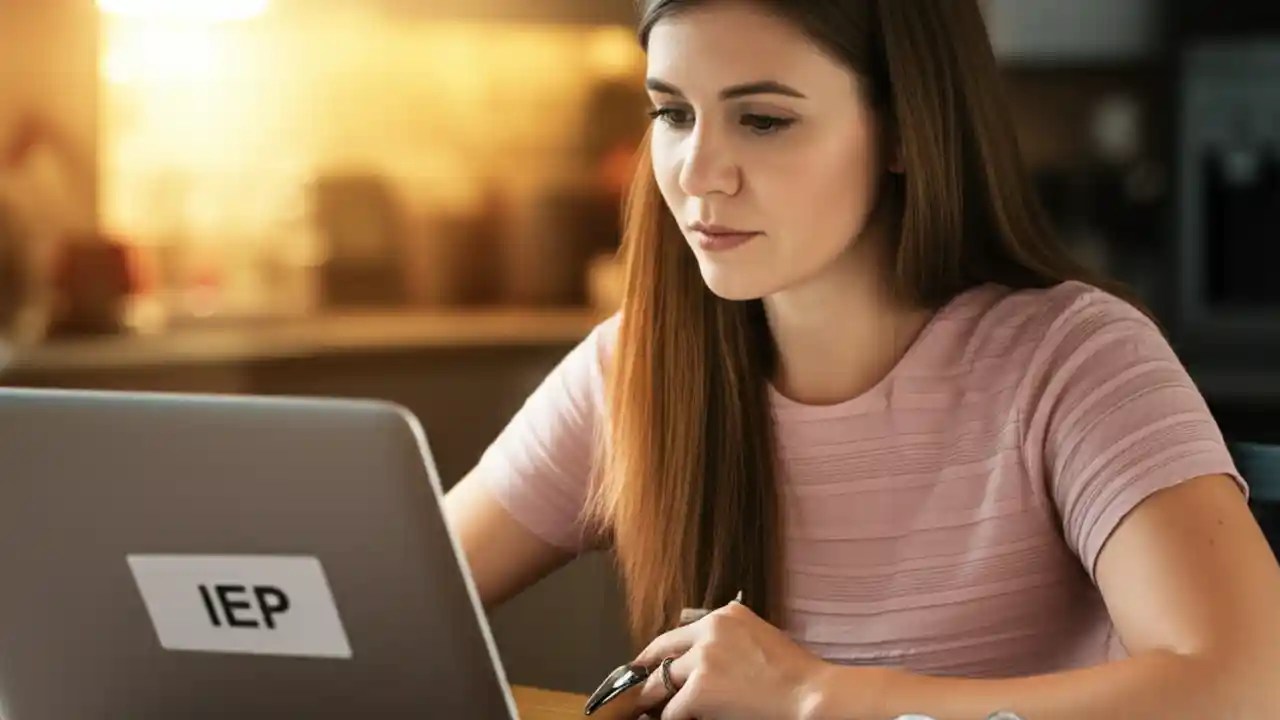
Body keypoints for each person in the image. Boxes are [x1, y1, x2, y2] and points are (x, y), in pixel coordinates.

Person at [445, 1, 1280, 718]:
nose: (698, 173)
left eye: (763, 119)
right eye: (672, 113)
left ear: (905, 130)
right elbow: (383, 601)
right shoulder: (636, 368)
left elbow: (1247, 688)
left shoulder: (1072, 360)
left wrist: (816, 695)